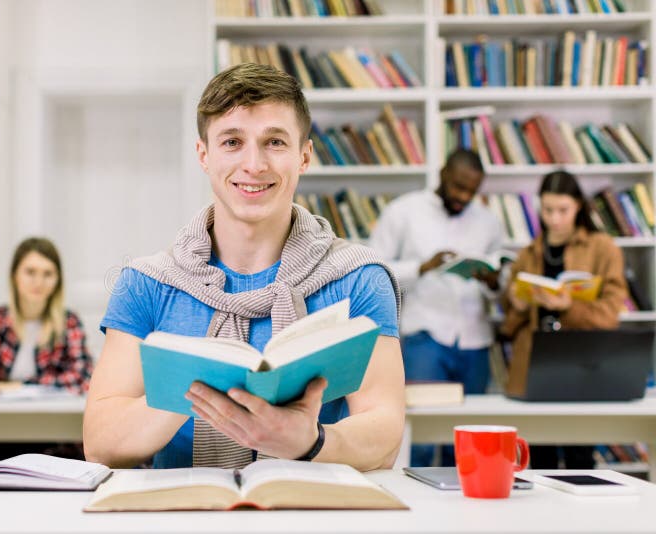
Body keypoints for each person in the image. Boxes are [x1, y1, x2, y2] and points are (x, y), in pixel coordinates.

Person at [83, 63, 405, 471]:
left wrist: (311, 440)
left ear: (304, 156)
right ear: (204, 154)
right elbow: (99, 442)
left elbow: (385, 432)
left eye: (274, 142)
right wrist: (194, 385)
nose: (254, 164)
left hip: (312, 511)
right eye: (232, 142)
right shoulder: (144, 283)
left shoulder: (358, 278)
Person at [368, 148, 504, 467]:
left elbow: (499, 290)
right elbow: (373, 271)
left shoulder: (489, 223)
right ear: (443, 175)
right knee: (422, 438)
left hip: (475, 340)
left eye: (471, 191)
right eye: (458, 187)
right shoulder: (404, 212)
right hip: (424, 338)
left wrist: (493, 281)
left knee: (474, 438)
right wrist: (422, 267)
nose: (463, 196)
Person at [500, 170, 627, 469]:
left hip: (582, 365)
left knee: (580, 459)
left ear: (578, 207)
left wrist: (568, 306)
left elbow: (611, 313)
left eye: (563, 210)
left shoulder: (603, 248)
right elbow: (508, 326)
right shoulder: (528, 255)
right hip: (534, 367)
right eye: (547, 210)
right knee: (539, 459)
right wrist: (517, 304)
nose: (554, 219)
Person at [0, 237, 94, 457]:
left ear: (57, 281)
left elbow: (82, 376)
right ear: (14, 276)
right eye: (30, 272)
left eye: (48, 274)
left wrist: (17, 387)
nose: (38, 281)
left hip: (53, 433)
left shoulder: (69, 322)